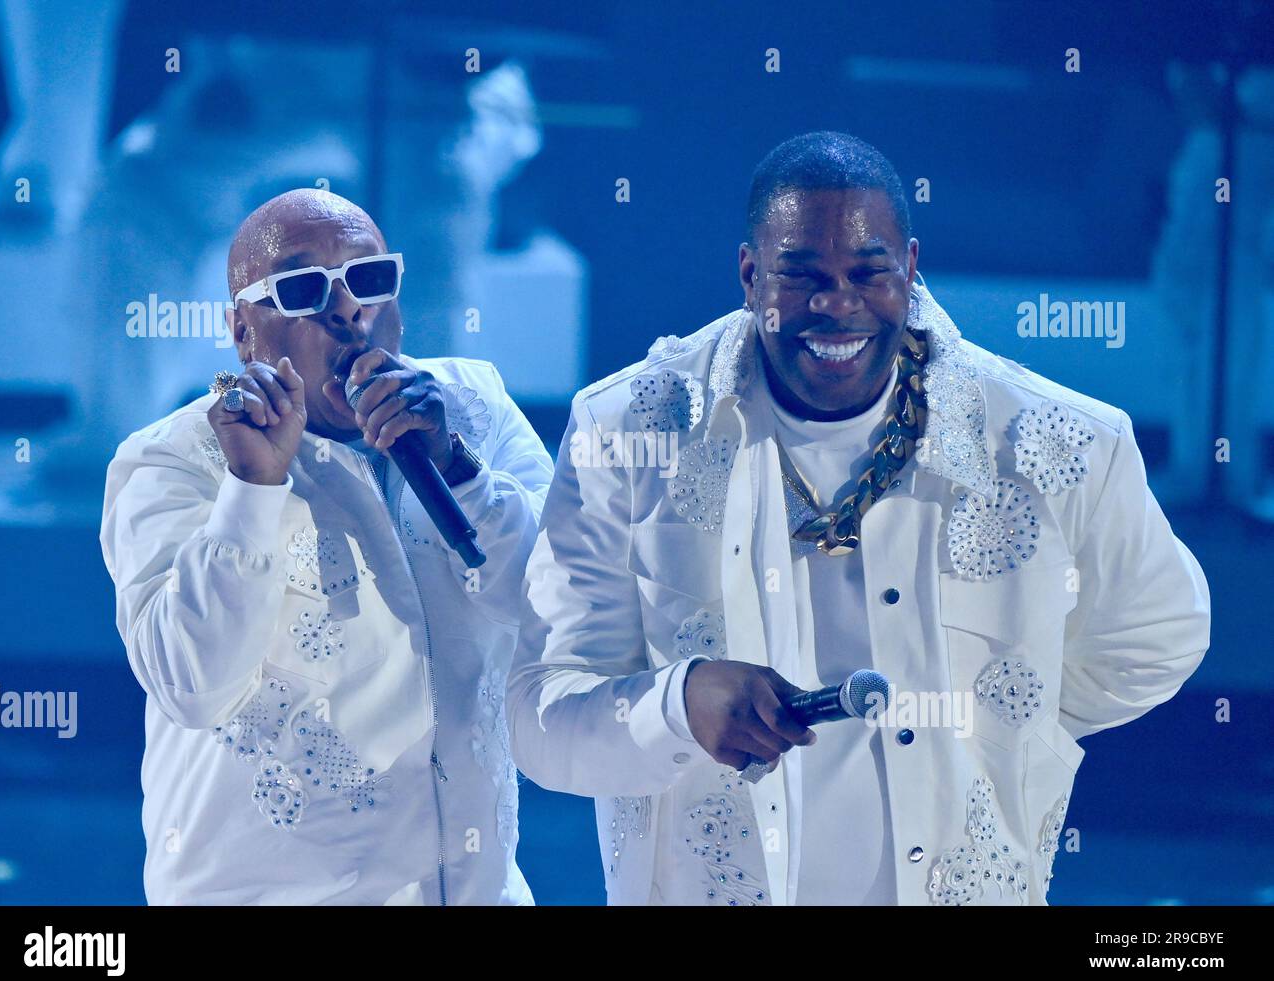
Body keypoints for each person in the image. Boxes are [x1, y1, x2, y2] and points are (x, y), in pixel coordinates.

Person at [508, 132, 1210, 905]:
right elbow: (541, 720)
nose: (836, 305)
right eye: (800, 276)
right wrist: (677, 706)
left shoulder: (1056, 440)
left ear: (910, 269)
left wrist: (1006, 724)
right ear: (749, 275)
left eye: (868, 274)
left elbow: (1158, 636)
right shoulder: (628, 430)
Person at [100, 189, 552, 905]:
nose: (348, 310)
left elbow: (559, 612)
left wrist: (457, 467)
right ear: (243, 333)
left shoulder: (471, 410)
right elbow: (191, 683)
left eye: (369, 278)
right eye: (305, 289)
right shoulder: (175, 459)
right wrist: (253, 491)